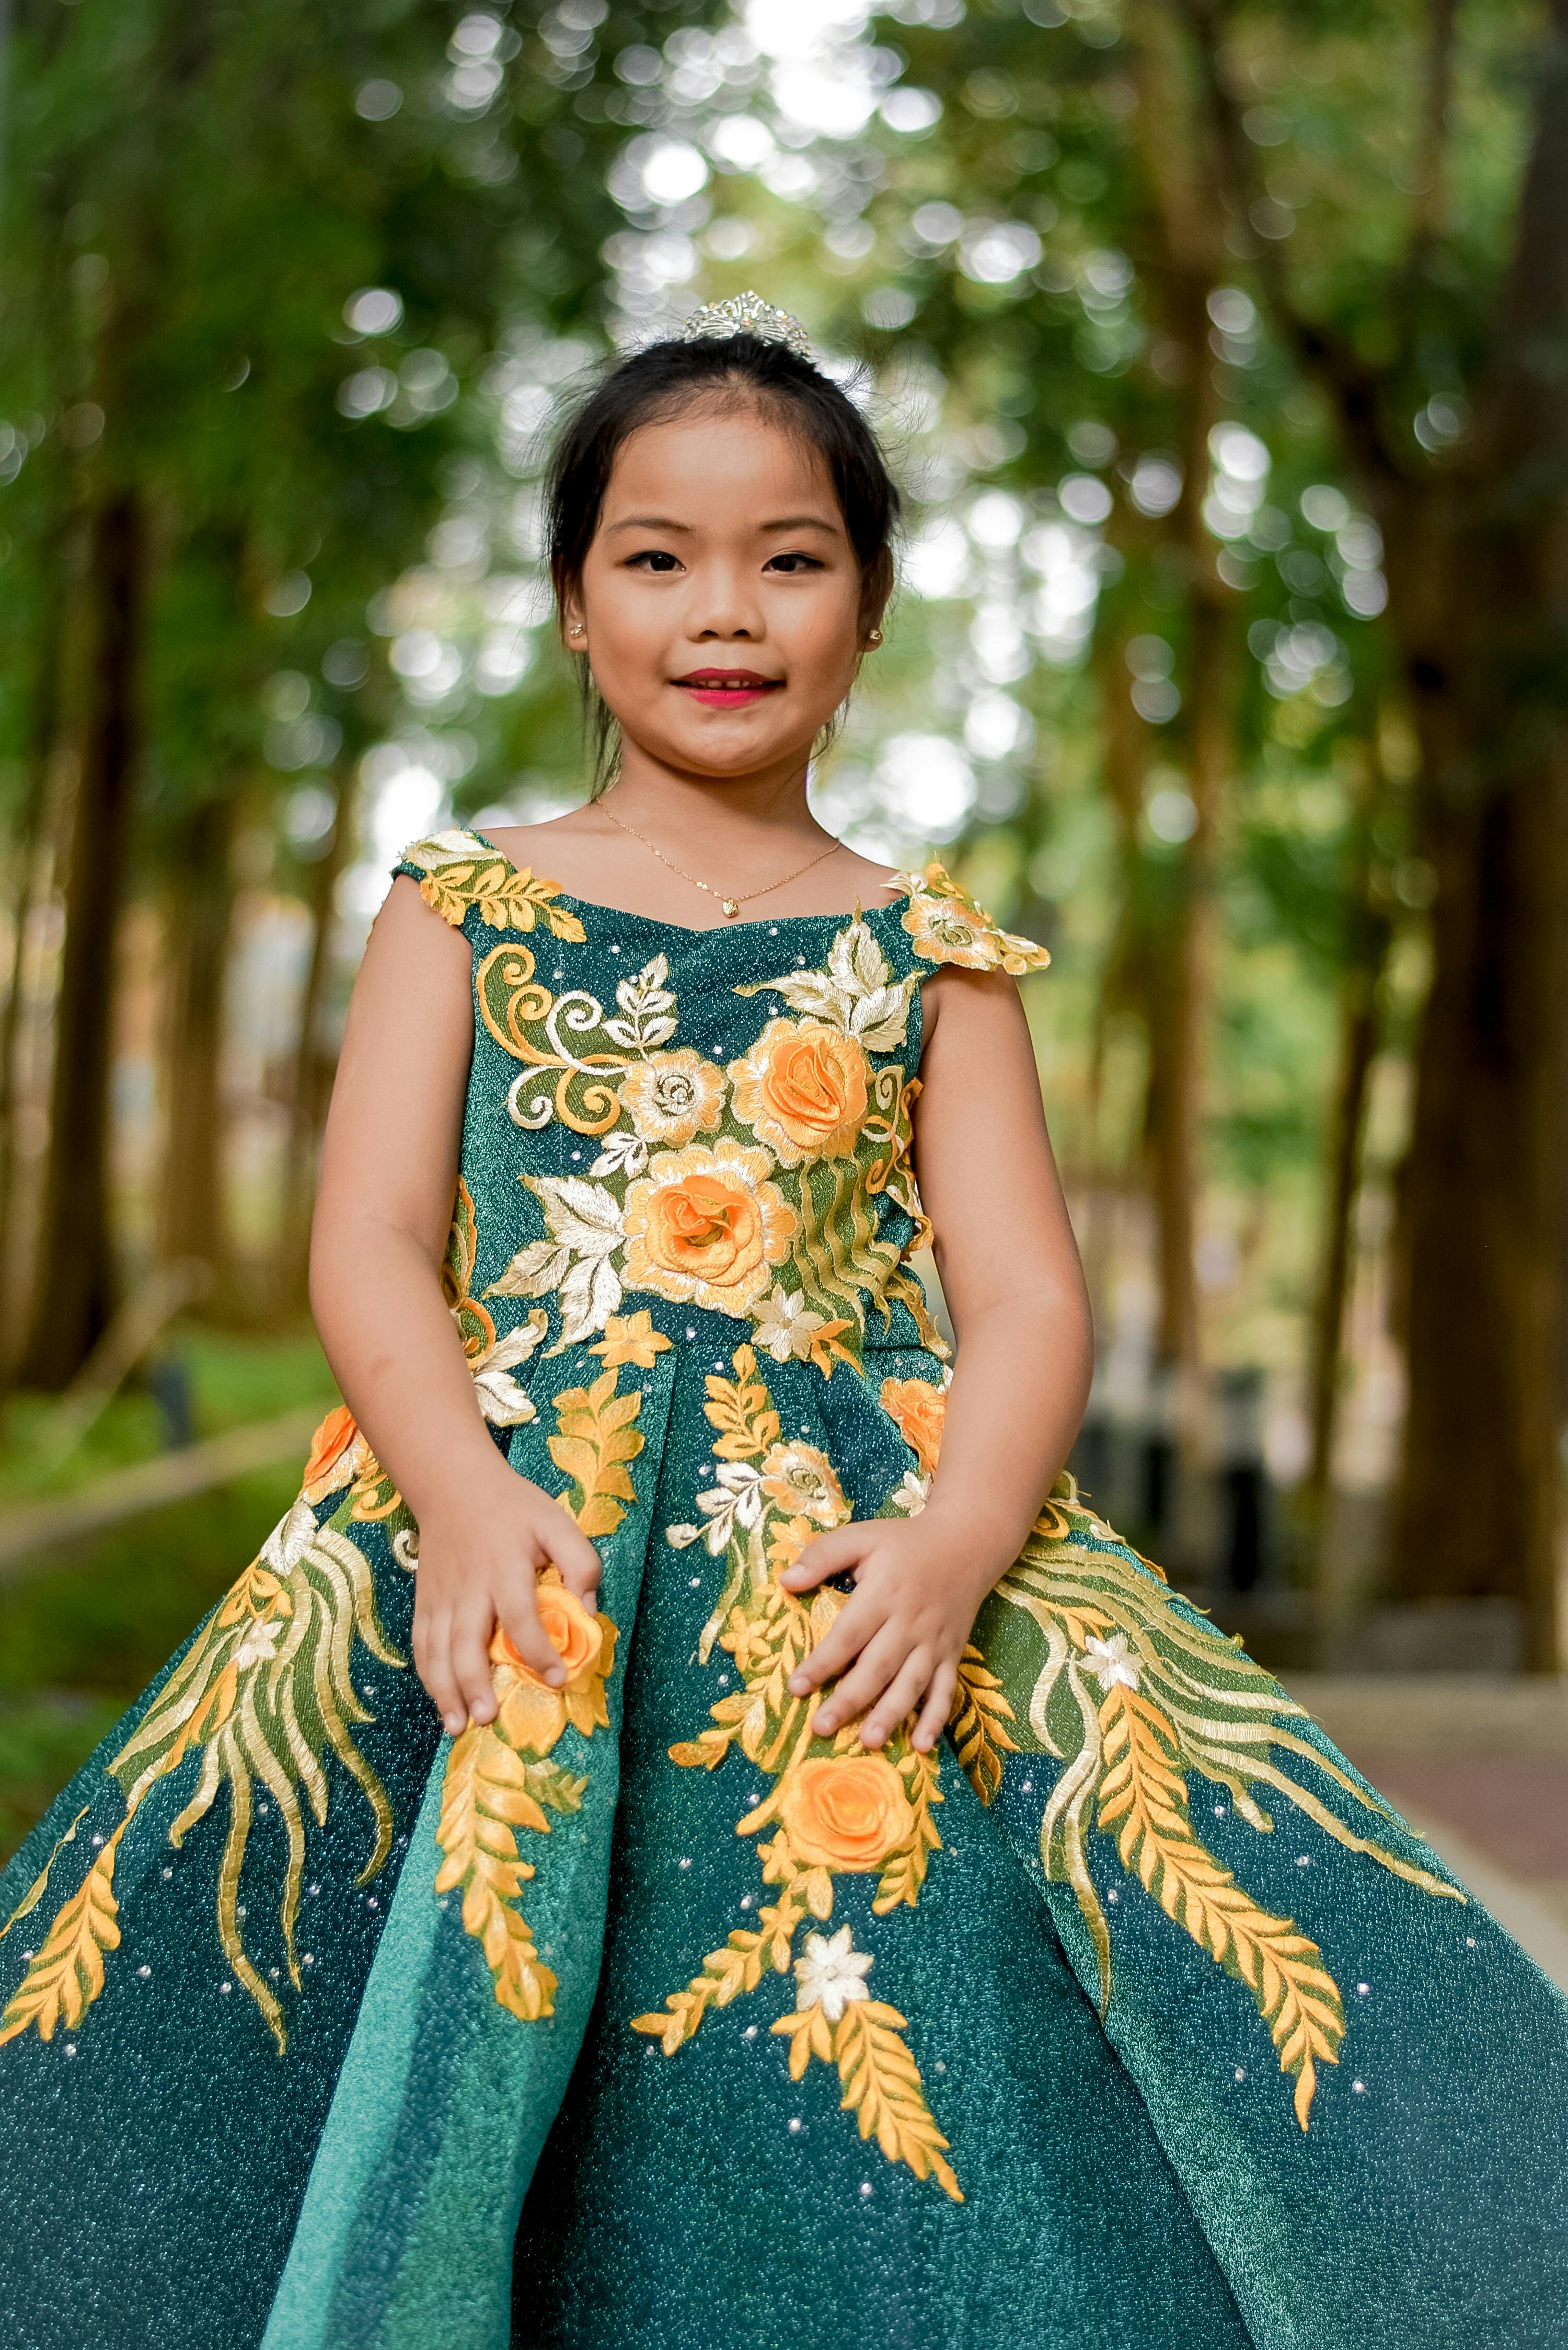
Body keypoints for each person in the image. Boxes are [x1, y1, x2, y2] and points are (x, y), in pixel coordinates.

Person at [1, 295, 1564, 2350]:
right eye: (656, 556)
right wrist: (461, 1504)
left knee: (994, 2014)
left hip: (850, 1570)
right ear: (575, 603)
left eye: (790, 555)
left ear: (869, 604)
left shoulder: (927, 950)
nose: (721, 607)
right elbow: (369, 1241)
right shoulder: (461, 904)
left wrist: (953, 1544)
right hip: (512, 1549)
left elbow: (1021, 1298)